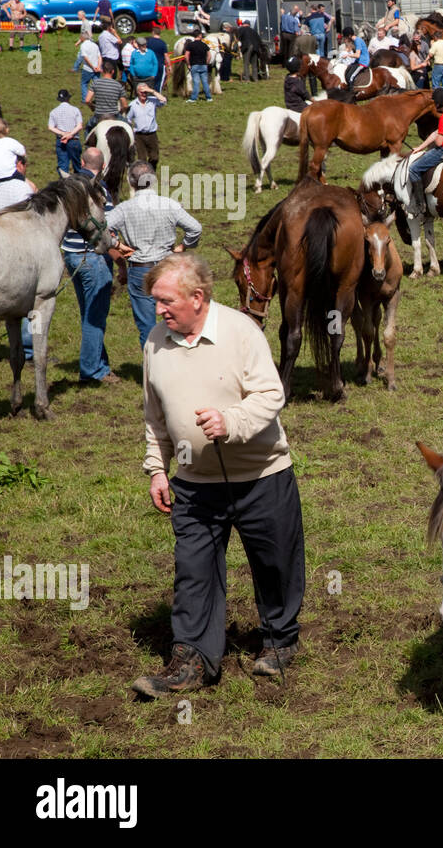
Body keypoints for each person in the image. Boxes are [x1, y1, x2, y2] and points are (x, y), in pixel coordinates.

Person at [131, 253, 305, 699]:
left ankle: (278, 639)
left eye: (167, 301)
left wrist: (231, 421)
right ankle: (191, 658)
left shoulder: (240, 332)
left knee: (275, 563)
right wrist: (157, 470)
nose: (159, 311)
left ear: (198, 297)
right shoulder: (155, 342)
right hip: (194, 485)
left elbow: (271, 394)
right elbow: (155, 416)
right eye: (156, 302)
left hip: (261, 475)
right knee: (193, 569)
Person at [106, 162, 203, 347]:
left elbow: (100, 229)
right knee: (176, 321)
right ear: (154, 180)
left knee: (147, 327)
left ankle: (151, 371)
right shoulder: (169, 204)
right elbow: (195, 228)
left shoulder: (124, 208)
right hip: (168, 269)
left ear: (130, 182)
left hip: (139, 271)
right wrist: (183, 246)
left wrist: (116, 244)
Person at [62, 147, 124, 385]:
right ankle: (91, 372)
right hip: (93, 257)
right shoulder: (98, 188)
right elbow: (106, 225)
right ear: (104, 165)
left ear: (80, 161)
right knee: (95, 316)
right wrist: (118, 251)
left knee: (88, 313)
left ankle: (100, 365)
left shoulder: (69, 183)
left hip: (71, 254)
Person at [406, 89, 443, 193]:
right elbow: (435, 133)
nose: (434, 105)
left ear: (439, 104)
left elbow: (438, 142)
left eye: (435, 103)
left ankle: (419, 203)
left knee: (413, 169)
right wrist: (420, 147)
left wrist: (435, 143)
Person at [127, 83, 167, 169]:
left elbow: (164, 101)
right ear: (137, 92)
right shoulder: (133, 105)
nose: (144, 94)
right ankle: (143, 177)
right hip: (139, 136)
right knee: (142, 159)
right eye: (142, 92)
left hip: (152, 134)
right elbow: (128, 119)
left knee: (155, 157)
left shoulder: (152, 101)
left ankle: (151, 170)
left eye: (146, 92)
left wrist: (151, 91)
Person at [48, 89, 84, 176]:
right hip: (74, 140)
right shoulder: (75, 110)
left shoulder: (53, 112)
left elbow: (50, 127)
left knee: (63, 168)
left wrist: (63, 134)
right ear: (68, 99)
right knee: (77, 166)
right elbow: (79, 126)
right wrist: (70, 134)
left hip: (61, 140)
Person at [86, 61, 130, 128]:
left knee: (87, 128)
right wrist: (120, 112)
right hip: (114, 115)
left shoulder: (95, 83)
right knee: (128, 126)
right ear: (112, 71)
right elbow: (125, 106)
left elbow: (87, 100)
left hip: (99, 116)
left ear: (102, 71)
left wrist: (92, 107)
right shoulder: (118, 85)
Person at [183, 34, 211, 103]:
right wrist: (206, 63)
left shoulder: (190, 45)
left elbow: (186, 56)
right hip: (203, 65)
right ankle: (209, 98)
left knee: (196, 83)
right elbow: (209, 55)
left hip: (194, 65)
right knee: (205, 82)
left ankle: (193, 98)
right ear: (200, 36)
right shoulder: (204, 45)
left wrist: (188, 64)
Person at [78, 28, 101, 102]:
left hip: (88, 69)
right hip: (97, 69)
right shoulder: (95, 45)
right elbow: (99, 56)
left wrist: (92, 67)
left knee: (84, 83)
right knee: (97, 85)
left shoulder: (83, 46)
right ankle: (99, 99)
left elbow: (85, 58)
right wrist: (98, 66)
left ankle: (85, 99)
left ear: (82, 38)